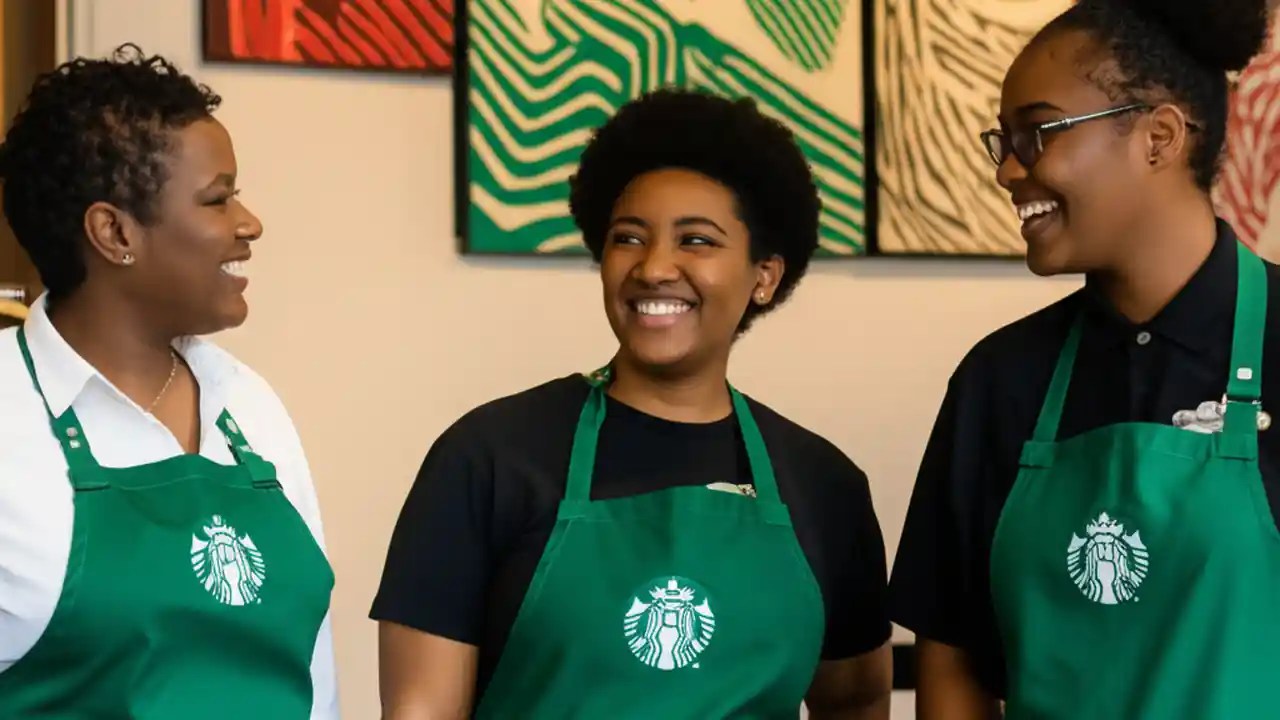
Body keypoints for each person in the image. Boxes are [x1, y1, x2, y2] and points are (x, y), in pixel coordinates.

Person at [372, 88, 892, 719]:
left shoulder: (823, 483)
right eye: (629, 238)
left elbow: (857, 700)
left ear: (765, 276)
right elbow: (420, 712)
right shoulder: (489, 456)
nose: (653, 268)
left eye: (696, 241)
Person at [888, 0, 1277, 718]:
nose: (1008, 171)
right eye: (1001, 142)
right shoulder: (999, 380)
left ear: (1158, 136)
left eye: (1037, 135)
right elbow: (954, 659)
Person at [0, 45, 338, 718]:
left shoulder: (251, 406)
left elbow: (316, 680)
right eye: (218, 199)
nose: (249, 224)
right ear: (114, 232)